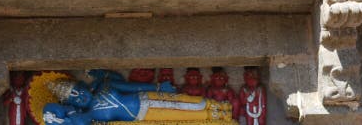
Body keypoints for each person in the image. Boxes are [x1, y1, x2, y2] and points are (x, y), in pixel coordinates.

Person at [42, 69, 232, 125]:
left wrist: (157, 86)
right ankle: (219, 119)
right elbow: (71, 120)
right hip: (142, 117)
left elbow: (128, 86)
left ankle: (220, 106)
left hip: (144, 98)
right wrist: (56, 117)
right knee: (185, 116)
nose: (79, 96)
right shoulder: (91, 115)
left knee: (184, 103)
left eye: (77, 90)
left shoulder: (103, 87)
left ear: (83, 85)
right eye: (73, 97)